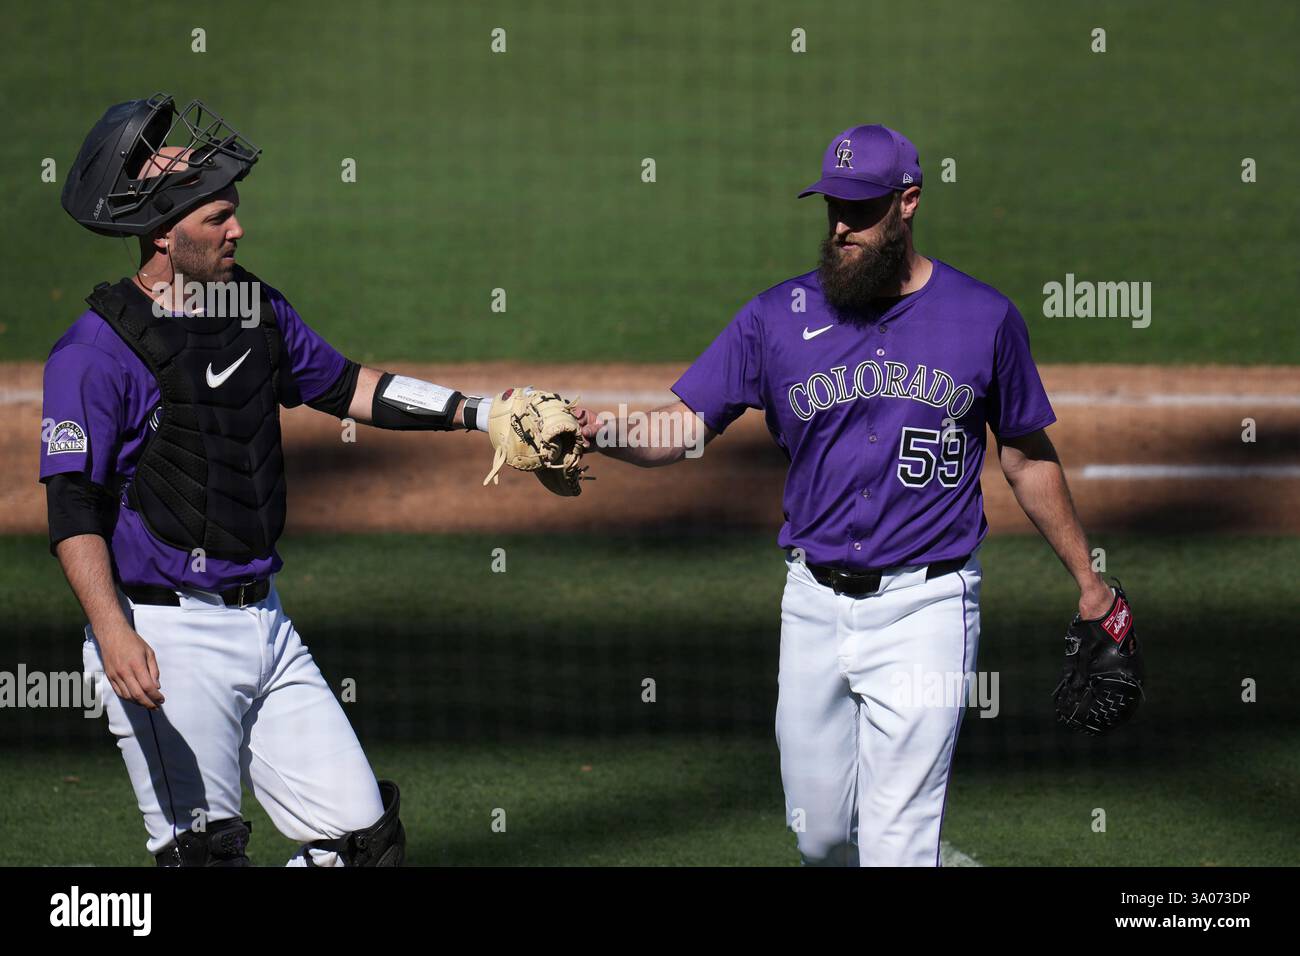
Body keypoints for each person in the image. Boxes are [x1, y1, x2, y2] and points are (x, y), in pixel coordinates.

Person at [44, 93, 570, 865]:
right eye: (217, 217)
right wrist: (113, 630)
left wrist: (477, 411)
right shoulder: (95, 353)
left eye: (235, 211)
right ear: (162, 237)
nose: (238, 229)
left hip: (266, 623)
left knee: (365, 845)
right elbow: (72, 505)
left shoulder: (254, 308)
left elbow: (348, 386)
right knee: (206, 854)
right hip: (165, 636)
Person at [575, 124, 1120, 866]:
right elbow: (683, 427)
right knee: (821, 834)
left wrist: (1089, 582)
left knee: (896, 845)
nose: (841, 226)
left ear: (909, 203)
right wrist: (597, 430)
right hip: (812, 604)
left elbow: (1026, 458)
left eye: (861, 209)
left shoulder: (984, 318)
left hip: (928, 607)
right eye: (833, 206)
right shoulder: (775, 317)